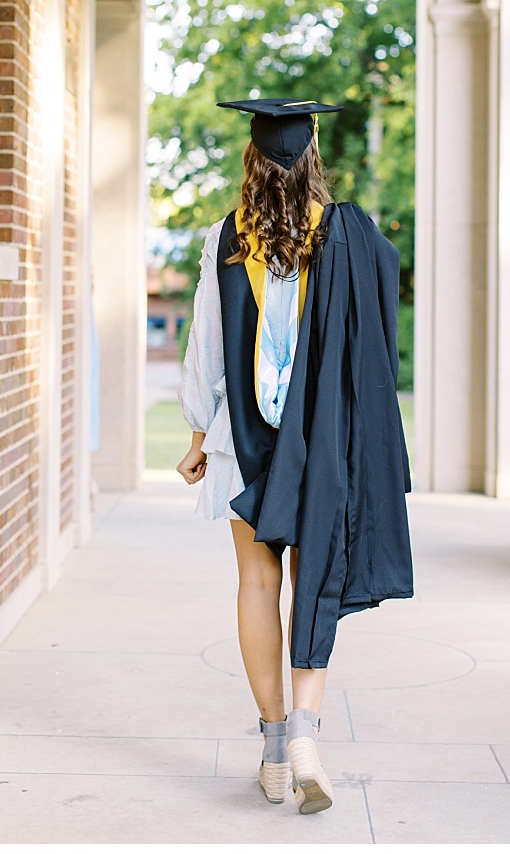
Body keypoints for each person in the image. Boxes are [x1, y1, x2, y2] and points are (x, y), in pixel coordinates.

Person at [175, 97, 412, 815]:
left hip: (246, 441)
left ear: (251, 156)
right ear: (312, 154)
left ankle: (276, 748)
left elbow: (206, 348)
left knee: (256, 584)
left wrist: (196, 436)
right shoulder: (347, 235)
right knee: (316, 582)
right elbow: (377, 337)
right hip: (321, 445)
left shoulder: (227, 238)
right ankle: (310, 733)